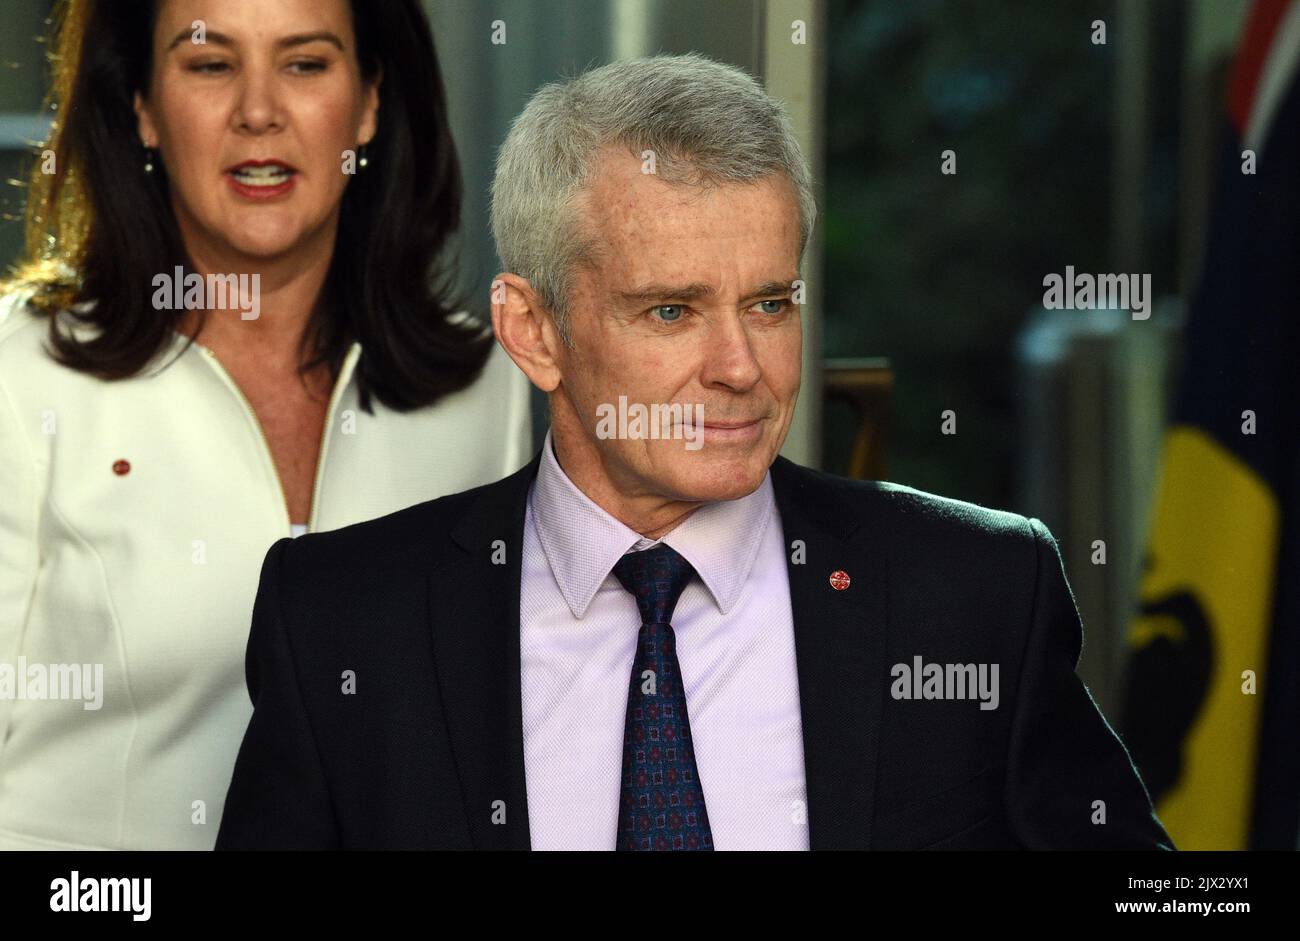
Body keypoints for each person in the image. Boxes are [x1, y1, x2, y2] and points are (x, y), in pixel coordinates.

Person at [216, 53, 1173, 850]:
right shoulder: (343, 626)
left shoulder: (974, 595)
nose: (740, 367)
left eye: (769, 303)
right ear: (533, 331)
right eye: (670, 310)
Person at [0, 0, 530, 850]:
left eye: (306, 63)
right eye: (210, 65)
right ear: (140, 104)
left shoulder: (483, 383)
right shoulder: (20, 377)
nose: (258, 111)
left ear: (368, 102)